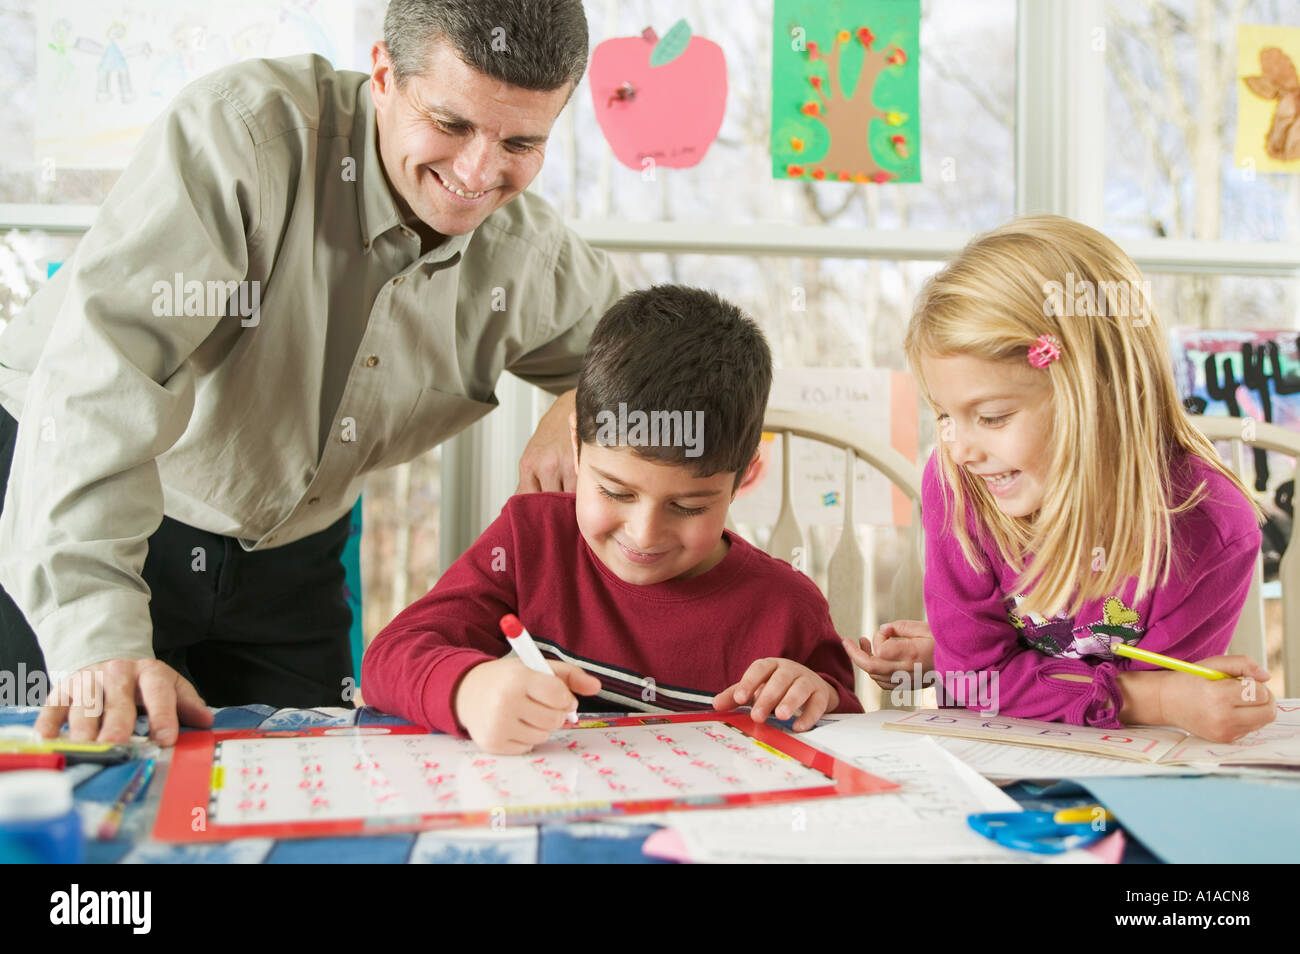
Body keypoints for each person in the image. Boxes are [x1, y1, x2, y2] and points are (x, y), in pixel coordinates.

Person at [0, 0, 625, 746]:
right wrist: (98, 636)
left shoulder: (528, 257)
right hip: (82, 490)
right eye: (450, 124)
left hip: (287, 553)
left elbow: (659, 358)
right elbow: (100, 384)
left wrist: (583, 399)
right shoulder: (242, 138)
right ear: (383, 76)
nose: (477, 173)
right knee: (80, 768)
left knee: (308, 773)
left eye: (520, 141)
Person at [362, 285, 863, 754]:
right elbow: (389, 658)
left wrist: (815, 695)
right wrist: (467, 690)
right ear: (577, 447)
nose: (644, 534)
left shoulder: (788, 609)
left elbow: (850, 733)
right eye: (615, 491)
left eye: (688, 506)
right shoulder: (531, 539)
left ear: (743, 477)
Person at [843, 215, 1276, 743]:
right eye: (944, 415)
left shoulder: (1211, 526)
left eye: (993, 417)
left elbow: (1149, 726)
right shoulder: (958, 485)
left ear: (1094, 395)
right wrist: (1153, 696)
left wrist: (993, 669)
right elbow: (976, 681)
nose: (960, 448)